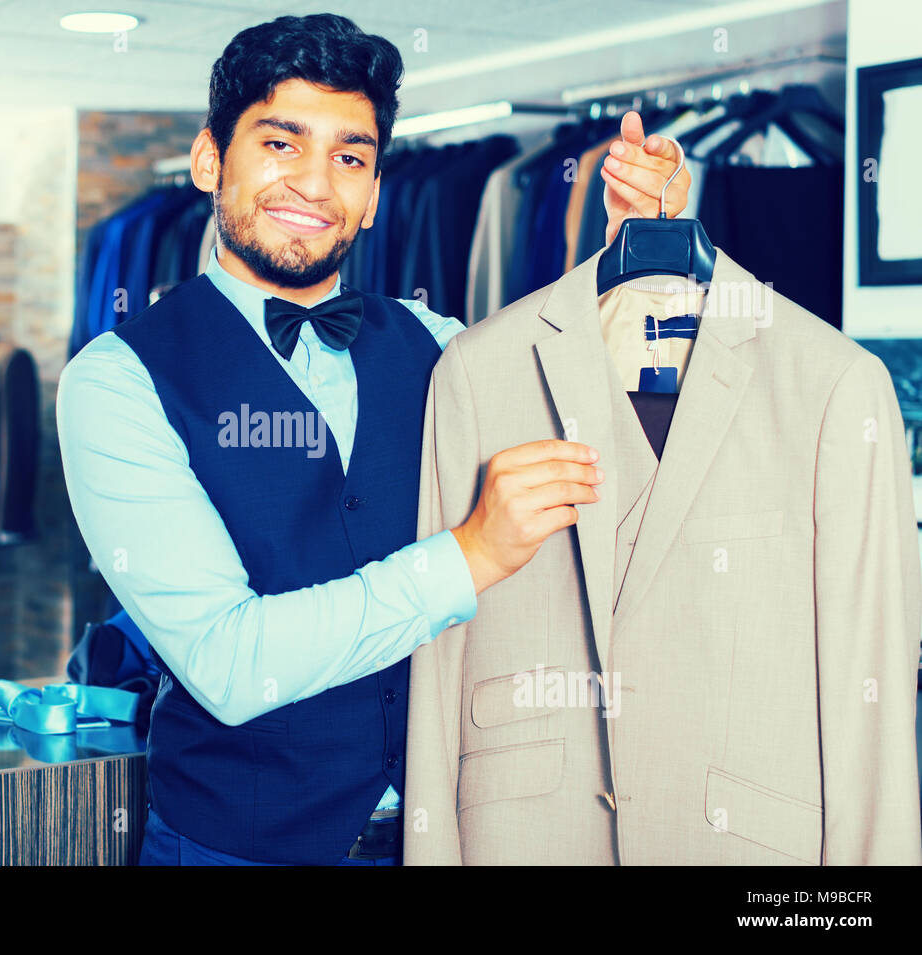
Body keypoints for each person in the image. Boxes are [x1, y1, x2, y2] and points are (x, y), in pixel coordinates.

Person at [56, 13, 692, 866]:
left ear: (376, 190)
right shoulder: (117, 380)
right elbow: (230, 661)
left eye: (349, 158)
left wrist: (641, 244)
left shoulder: (436, 339)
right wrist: (469, 555)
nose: (315, 185)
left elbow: (597, 426)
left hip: (447, 834)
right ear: (212, 160)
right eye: (281, 144)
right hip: (238, 847)